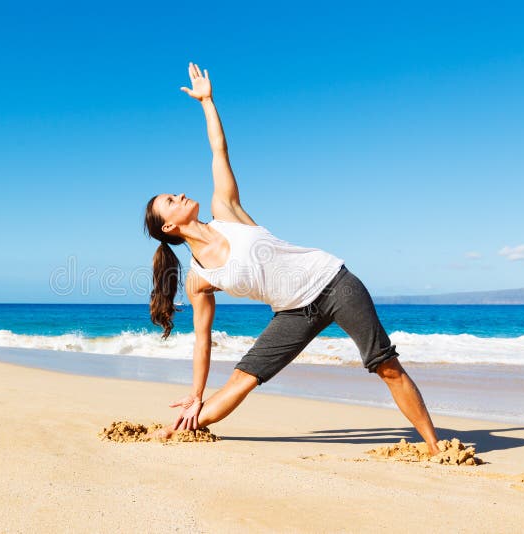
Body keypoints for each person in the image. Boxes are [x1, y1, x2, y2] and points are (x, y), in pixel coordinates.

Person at [143, 62, 439, 453]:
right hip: (293, 313)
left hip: (333, 283)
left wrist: (207, 103)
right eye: (171, 200)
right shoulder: (199, 278)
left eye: (175, 193)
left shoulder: (225, 210)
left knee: (385, 365)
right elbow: (203, 339)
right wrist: (196, 394)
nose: (180, 194)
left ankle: (437, 448)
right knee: (239, 381)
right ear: (168, 226)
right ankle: (176, 430)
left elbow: (218, 150)